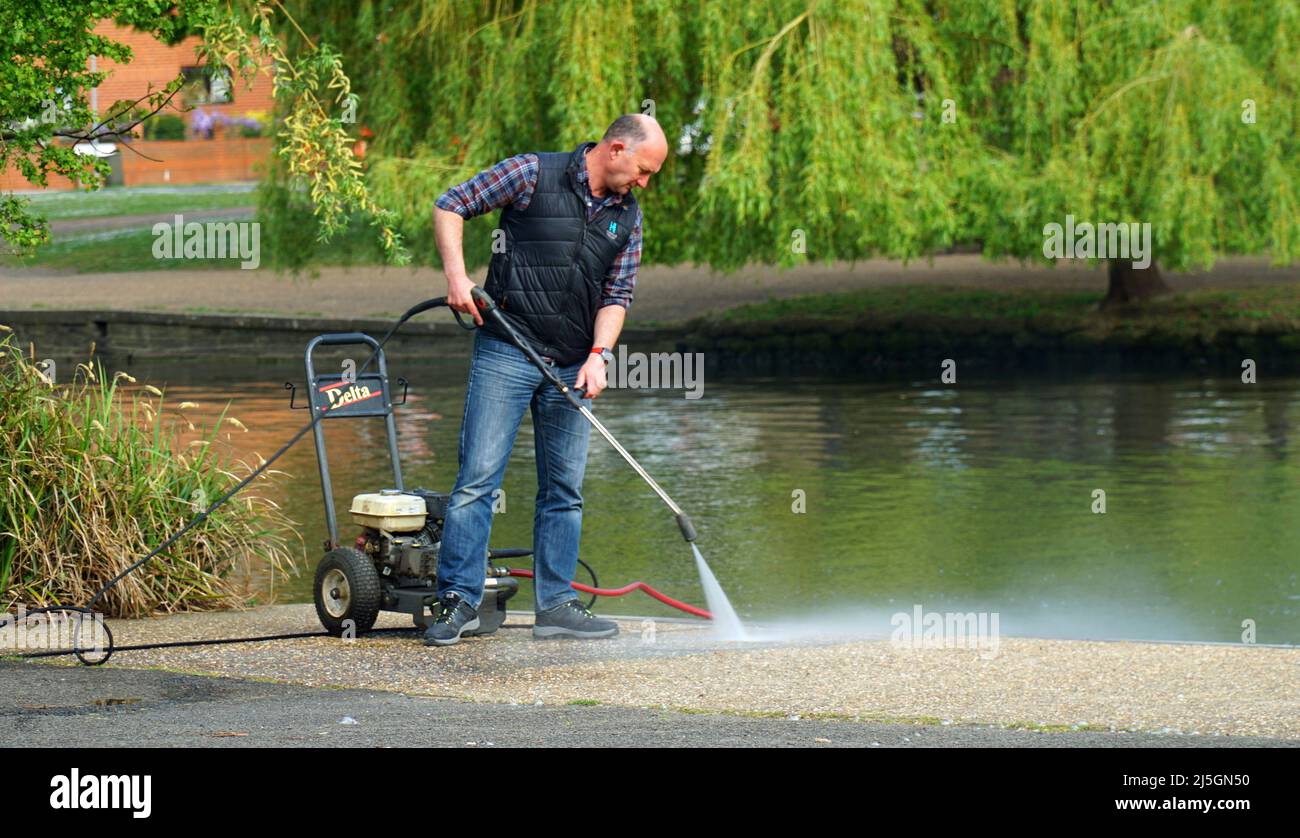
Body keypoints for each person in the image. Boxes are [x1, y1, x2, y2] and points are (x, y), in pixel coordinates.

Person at [424, 114, 668, 646]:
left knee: (565, 490)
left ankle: (556, 605)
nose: (644, 183)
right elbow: (451, 204)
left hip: (572, 363)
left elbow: (616, 296)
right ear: (617, 149)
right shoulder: (533, 172)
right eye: (644, 171)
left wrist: (600, 355)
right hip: (506, 351)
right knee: (477, 482)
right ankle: (456, 601)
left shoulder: (628, 218)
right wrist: (457, 278)